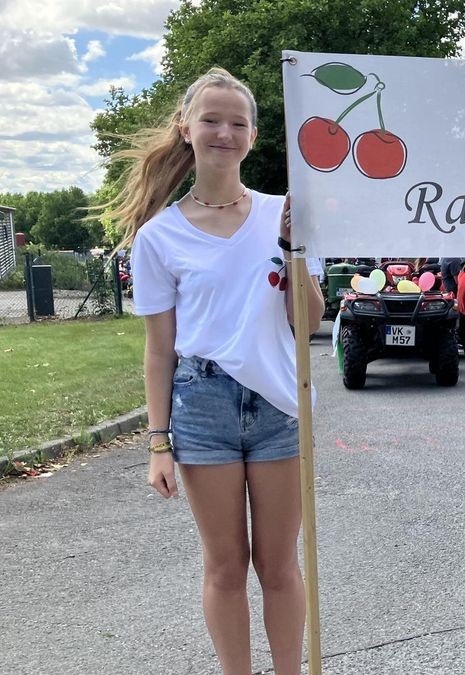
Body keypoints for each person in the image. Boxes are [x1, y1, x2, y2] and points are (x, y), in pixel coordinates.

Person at [104, 68, 324, 675]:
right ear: (187, 128)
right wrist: (157, 443)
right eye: (211, 119)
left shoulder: (287, 214)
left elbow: (305, 323)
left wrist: (292, 251)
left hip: (279, 405)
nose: (224, 132)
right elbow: (158, 350)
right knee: (225, 567)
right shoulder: (159, 236)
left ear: (254, 134)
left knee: (279, 565)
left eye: (237, 122)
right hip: (202, 406)